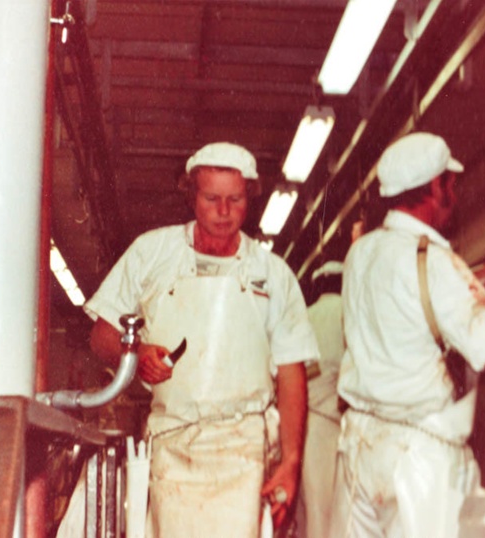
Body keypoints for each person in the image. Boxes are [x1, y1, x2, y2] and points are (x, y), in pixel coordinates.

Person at [329, 132, 485, 537]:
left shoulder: (361, 254)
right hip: (420, 461)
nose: (455, 194)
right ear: (432, 190)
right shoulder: (436, 262)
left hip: (359, 450)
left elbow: (414, 305)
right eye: (449, 184)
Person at [84, 142, 319, 537]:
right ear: (191, 196)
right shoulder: (151, 252)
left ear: (250, 199)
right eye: (212, 198)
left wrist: (291, 462)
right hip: (173, 448)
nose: (224, 212)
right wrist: (136, 352)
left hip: (246, 452)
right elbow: (101, 335)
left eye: (235, 199)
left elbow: (292, 372)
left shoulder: (272, 274)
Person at [295, 260, 345, 538]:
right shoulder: (348, 314)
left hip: (303, 427)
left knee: (309, 510)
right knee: (332, 511)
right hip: (334, 427)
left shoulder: (303, 318)